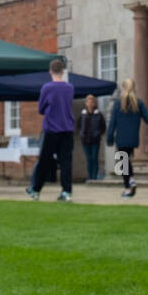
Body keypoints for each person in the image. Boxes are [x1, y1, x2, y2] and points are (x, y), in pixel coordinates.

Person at [29, 59, 75, 201]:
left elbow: (41, 109)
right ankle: (66, 191)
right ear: (62, 71)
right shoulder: (69, 88)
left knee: (45, 160)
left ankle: (36, 190)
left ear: (50, 72)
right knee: (66, 161)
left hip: (52, 128)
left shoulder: (46, 88)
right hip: (67, 128)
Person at [106, 78, 148, 198]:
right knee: (126, 161)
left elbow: (112, 122)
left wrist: (109, 138)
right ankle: (131, 181)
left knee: (122, 163)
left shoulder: (118, 102)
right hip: (133, 139)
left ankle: (128, 186)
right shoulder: (138, 102)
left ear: (123, 87)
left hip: (121, 138)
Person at [77, 94, 106, 181]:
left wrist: (98, 133)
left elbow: (103, 126)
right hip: (85, 140)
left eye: (91, 101)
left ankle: (94, 177)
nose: (90, 103)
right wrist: (81, 133)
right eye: (88, 101)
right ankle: (90, 177)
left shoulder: (98, 114)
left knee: (94, 158)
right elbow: (78, 125)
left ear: (94, 103)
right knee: (89, 159)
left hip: (95, 140)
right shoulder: (83, 114)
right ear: (86, 103)